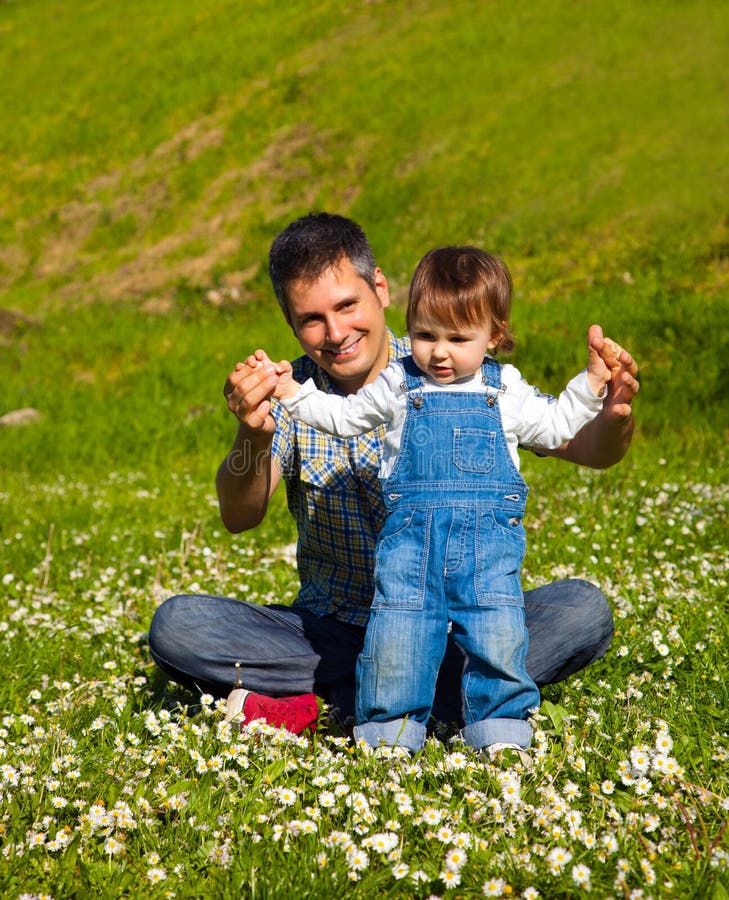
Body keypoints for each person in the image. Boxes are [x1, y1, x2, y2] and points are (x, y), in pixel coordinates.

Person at [148, 212, 639, 737]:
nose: (336, 334)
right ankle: (424, 699)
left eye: (346, 305)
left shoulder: (454, 363)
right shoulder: (294, 395)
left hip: (456, 624)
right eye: (312, 319)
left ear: (380, 288)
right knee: (179, 627)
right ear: (290, 322)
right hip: (329, 635)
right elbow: (239, 515)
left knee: (581, 610)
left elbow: (585, 446)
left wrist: (612, 417)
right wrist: (252, 432)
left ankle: (344, 706)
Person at [253, 245, 612, 755]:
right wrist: (291, 392)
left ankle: (499, 728)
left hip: (486, 559)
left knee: (498, 635)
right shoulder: (398, 382)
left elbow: (556, 427)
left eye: (458, 339)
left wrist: (593, 385)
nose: (439, 353)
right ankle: (391, 730)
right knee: (397, 636)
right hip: (408, 558)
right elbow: (343, 416)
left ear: (496, 336)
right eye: (425, 336)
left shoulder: (504, 389)